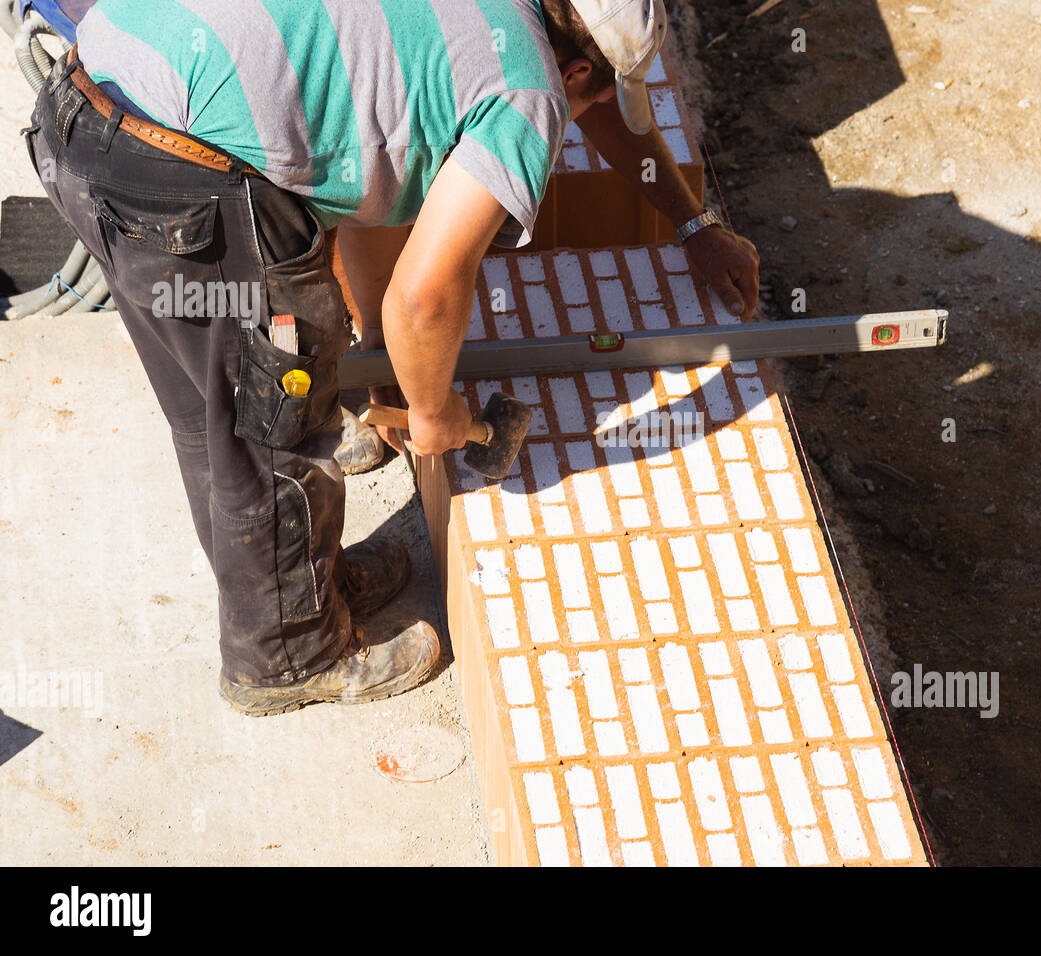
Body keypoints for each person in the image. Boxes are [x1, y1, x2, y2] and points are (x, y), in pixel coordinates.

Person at [26, 0, 760, 717]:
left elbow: (382, 180)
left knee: (212, 413)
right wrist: (436, 410)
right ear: (572, 72)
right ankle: (287, 657)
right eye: (580, 99)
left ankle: (303, 590)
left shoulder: (478, 30)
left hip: (88, 104)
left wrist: (693, 222)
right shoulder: (529, 88)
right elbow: (428, 294)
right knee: (279, 414)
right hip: (174, 174)